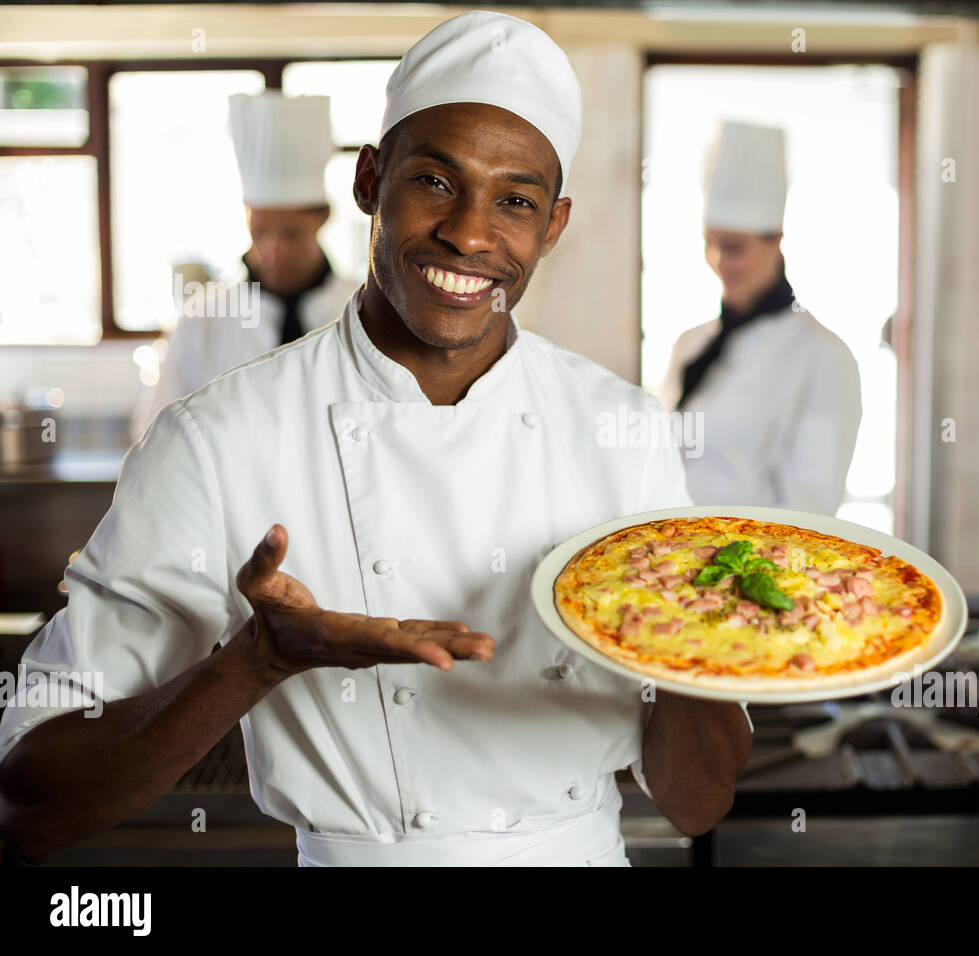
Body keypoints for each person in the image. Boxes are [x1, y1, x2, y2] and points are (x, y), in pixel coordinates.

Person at [0, 10, 752, 867]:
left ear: (554, 226)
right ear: (369, 180)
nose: (470, 233)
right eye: (436, 182)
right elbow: (29, 801)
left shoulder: (622, 430)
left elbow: (698, 806)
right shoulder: (217, 438)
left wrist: (696, 636)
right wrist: (256, 662)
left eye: (514, 200)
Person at [657, 121, 862, 516]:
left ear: (777, 240)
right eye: (709, 243)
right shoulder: (690, 344)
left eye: (733, 248)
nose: (718, 261)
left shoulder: (826, 358)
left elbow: (809, 511)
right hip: (666, 555)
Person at [131, 91, 359, 441]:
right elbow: (156, 437)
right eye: (260, 232)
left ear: (323, 218)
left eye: (292, 234)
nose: (273, 250)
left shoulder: (360, 312)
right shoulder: (201, 319)